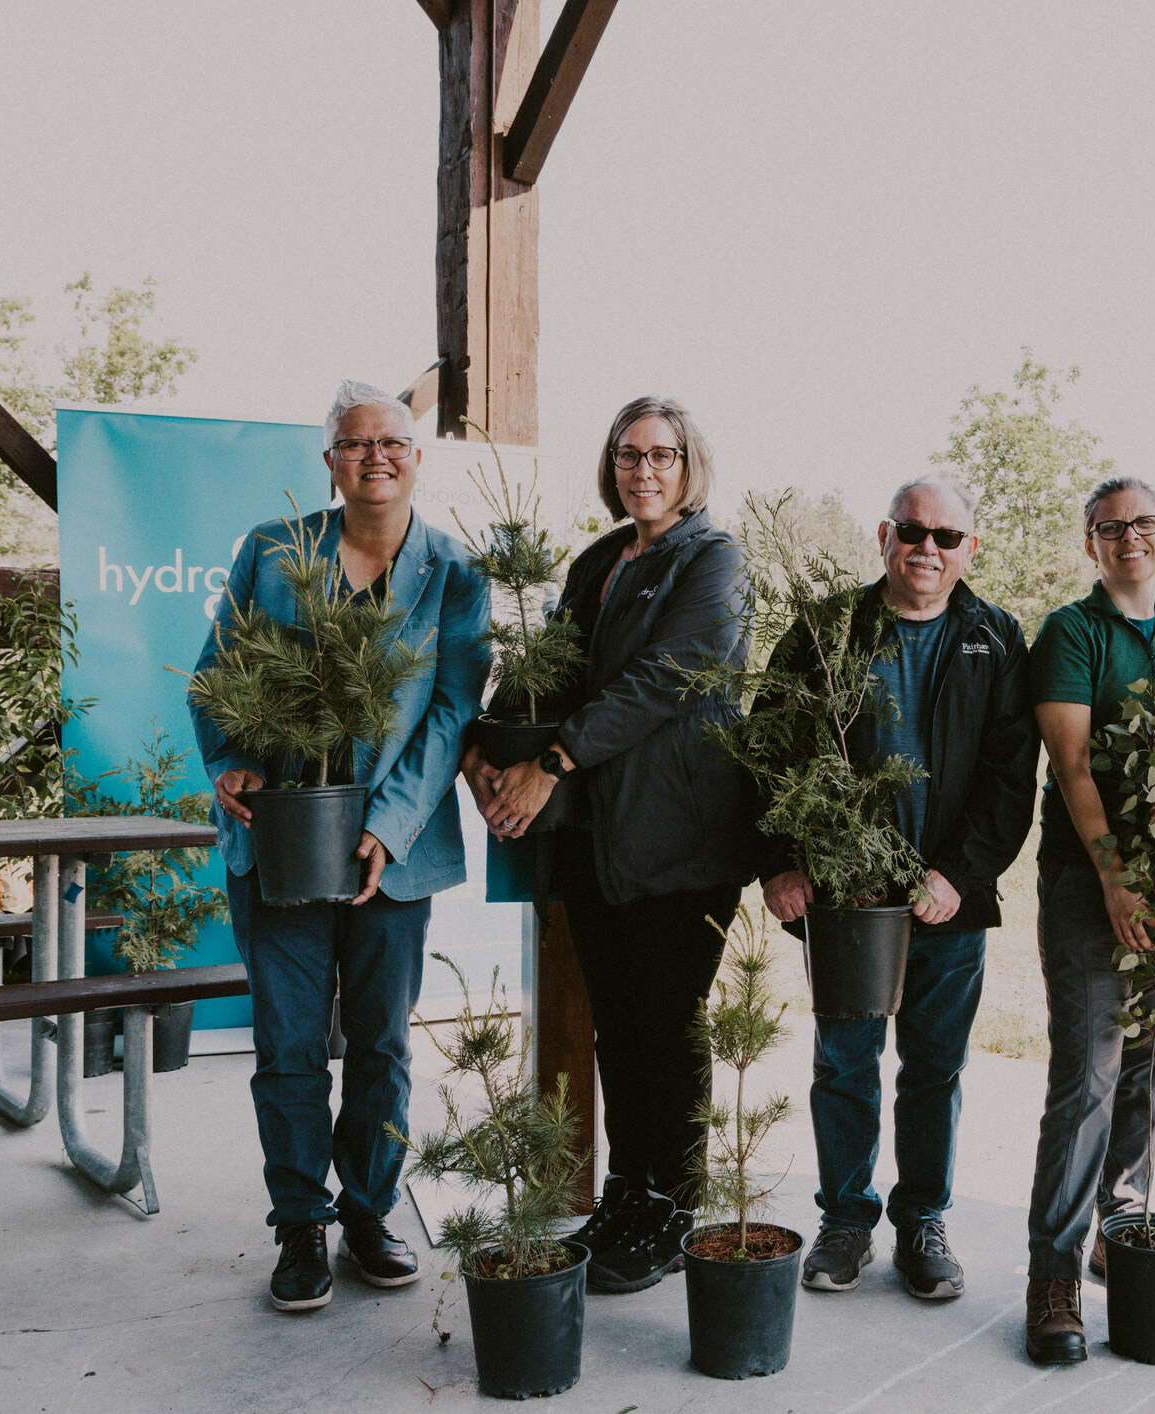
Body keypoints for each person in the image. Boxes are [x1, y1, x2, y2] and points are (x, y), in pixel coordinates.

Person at [189, 379, 492, 1312]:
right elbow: (218, 675)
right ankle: (299, 1228)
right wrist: (233, 760)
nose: (376, 457)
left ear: (414, 457)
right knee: (286, 1048)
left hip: (391, 862)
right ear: (330, 462)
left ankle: (368, 1212)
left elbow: (451, 713)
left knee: (383, 1047)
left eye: (393, 443)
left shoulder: (454, 571)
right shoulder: (273, 554)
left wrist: (386, 826)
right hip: (280, 841)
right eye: (356, 444)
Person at [462, 396, 756, 1294]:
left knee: (667, 1025)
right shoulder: (598, 560)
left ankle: (672, 1206)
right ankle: (627, 1192)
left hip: (679, 833)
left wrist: (552, 759)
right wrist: (487, 744)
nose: (644, 471)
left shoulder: (713, 561)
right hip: (593, 837)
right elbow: (547, 671)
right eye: (628, 456)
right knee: (618, 1027)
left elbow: (662, 681)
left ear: (689, 463)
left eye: (662, 455)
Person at [760, 475, 1039, 1302]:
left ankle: (922, 1221)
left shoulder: (996, 638)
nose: (928, 549)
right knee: (844, 1063)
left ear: (968, 550)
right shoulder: (825, 631)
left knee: (933, 1068)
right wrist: (780, 860)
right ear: (884, 534)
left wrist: (959, 874)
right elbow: (770, 747)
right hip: (847, 901)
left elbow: (1009, 774)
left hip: (947, 901)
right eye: (913, 531)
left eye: (947, 537)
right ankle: (846, 1221)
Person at [1016, 475, 1155, 1364]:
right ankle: (1054, 1279)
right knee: (1089, 1076)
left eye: (1142, 522)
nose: (1129, 537)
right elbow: (1072, 768)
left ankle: (1118, 1218)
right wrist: (1112, 878)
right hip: (1092, 883)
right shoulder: (1071, 633)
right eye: (1111, 528)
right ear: (1091, 544)